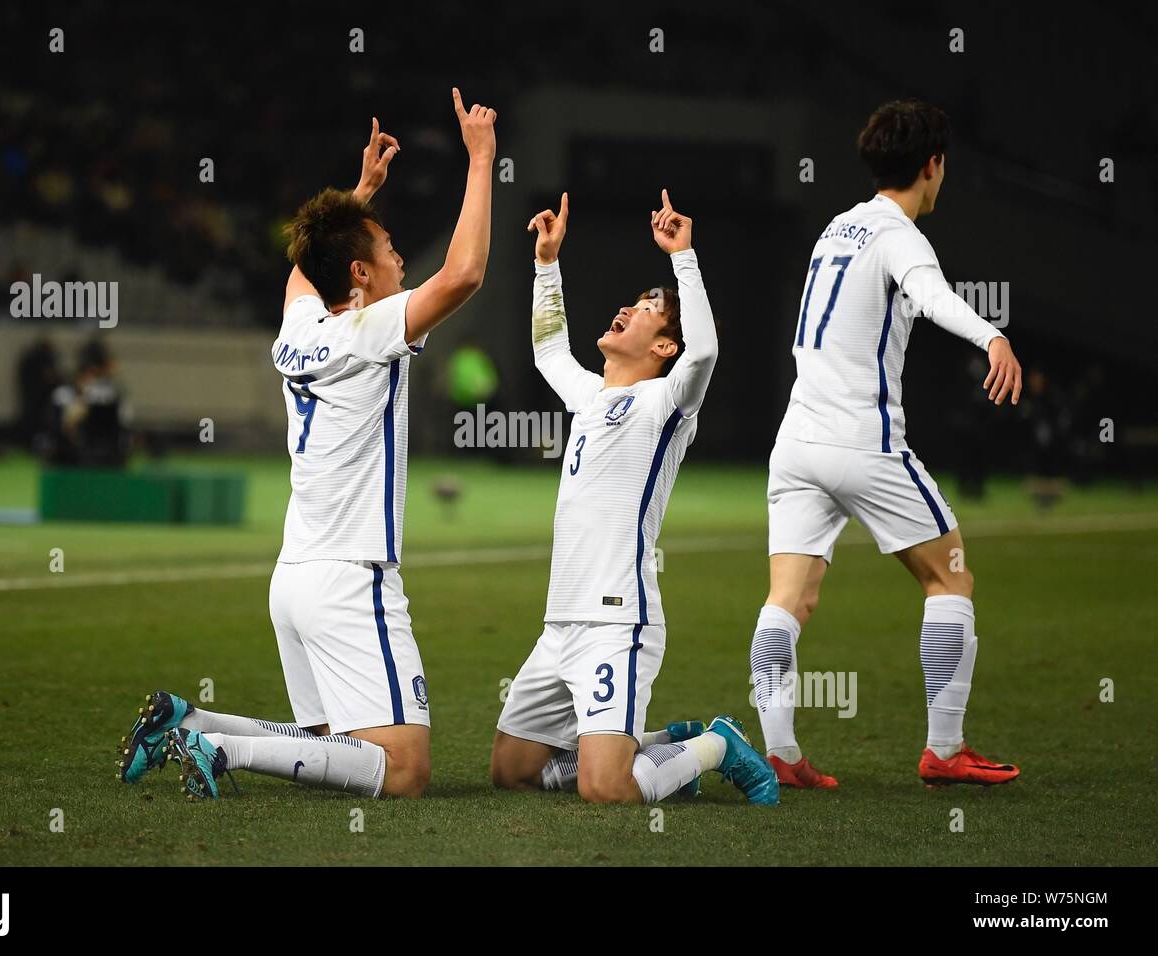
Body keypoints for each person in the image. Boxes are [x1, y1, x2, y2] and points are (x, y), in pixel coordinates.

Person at [117, 91, 497, 800]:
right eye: (385, 249)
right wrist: (480, 162)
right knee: (404, 771)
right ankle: (218, 746)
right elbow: (465, 273)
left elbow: (303, 269)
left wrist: (354, 203)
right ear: (358, 274)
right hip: (352, 577)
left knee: (336, 747)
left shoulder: (299, 328)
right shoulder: (369, 329)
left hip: (293, 576)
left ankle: (190, 718)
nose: (399, 257)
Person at [748, 99, 1023, 789]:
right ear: (932, 166)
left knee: (788, 599)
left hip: (796, 443)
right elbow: (929, 295)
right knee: (949, 574)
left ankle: (780, 755)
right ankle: (945, 748)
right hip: (863, 443)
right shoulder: (900, 234)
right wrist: (992, 335)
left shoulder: (835, 229)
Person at [489, 190, 778, 806]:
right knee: (511, 771)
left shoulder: (667, 405)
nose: (627, 307)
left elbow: (704, 349)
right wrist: (547, 264)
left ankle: (717, 744)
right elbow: (547, 351)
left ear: (663, 348)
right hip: (559, 621)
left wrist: (684, 257)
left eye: (647, 309)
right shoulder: (592, 398)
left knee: (606, 790)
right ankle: (659, 742)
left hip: (618, 621)